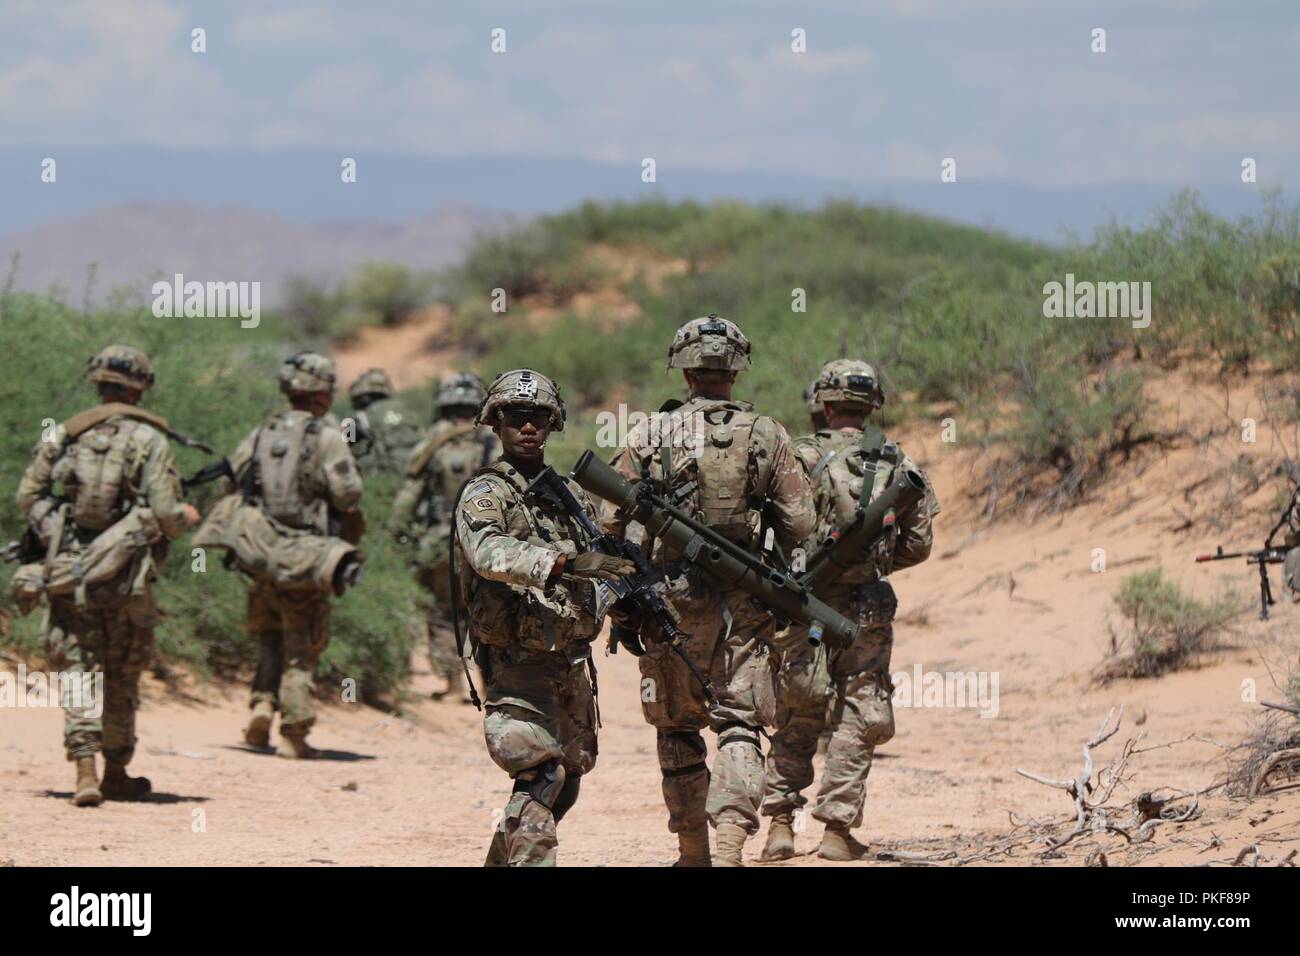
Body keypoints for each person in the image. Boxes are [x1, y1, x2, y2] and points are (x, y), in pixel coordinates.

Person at [601, 315, 815, 866]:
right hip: (744, 598)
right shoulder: (768, 433)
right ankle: (727, 848)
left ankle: (693, 851)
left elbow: (607, 518)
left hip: (669, 598)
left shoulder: (650, 433)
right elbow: (801, 523)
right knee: (740, 721)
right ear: (736, 369)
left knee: (676, 724)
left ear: (685, 367)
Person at [759, 359, 940, 861]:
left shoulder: (797, 455)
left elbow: (769, 530)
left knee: (798, 707)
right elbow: (919, 544)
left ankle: (779, 826)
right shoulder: (897, 461)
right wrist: (871, 564)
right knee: (860, 710)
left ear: (826, 402)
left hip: (802, 606)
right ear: (872, 405)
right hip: (868, 608)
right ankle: (837, 831)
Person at [454, 369, 632, 865]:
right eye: (516, 416)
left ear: (553, 424)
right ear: (496, 423)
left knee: (567, 782)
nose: (528, 426)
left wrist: (621, 591)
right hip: (516, 659)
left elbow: (602, 562)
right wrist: (557, 563)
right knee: (539, 775)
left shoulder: (570, 496)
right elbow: (485, 551)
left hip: (570, 659)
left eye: (539, 417)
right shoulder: (486, 493)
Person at [16, 345, 200, 806]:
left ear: (96, 381)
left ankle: (85, 771)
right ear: (142, 385)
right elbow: (164, 511)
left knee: (79, 670)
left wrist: (55, 529)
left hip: (67, 574)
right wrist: (186, 517)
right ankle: (117, 770)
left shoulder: (66, 433)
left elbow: (28, 494)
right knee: (122, 673)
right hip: (125, 579)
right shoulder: (151, 441)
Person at [228, 352, 364, 758]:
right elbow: (348, 494)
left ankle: (261, 708)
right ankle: (294, 732)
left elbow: (232, 482)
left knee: (268, 636)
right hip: (305, 556)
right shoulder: (327, 436)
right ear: (322, 393)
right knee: (302, 645)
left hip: (259, 554)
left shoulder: (260, 433)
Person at [389, 371, 501, 700]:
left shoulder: (431, 443)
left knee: (443, 613)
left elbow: (407, 498)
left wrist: (394, 536)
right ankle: (490, 686)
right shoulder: (492, 443)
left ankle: (454, 686)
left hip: (440, 544)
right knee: (487, 614)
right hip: (485, 545)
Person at [347, 367, 421, 475]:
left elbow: (346, 452)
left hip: (381, 477)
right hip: (414, 472)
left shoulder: (355, 420)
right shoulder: (406, 410)